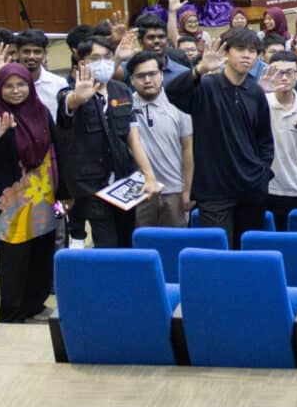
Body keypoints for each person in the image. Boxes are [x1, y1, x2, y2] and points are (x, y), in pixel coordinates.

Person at [163, 27, 276, 248]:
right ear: (226, 53)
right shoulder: (206, 86)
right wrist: (199, 69)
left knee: (248, 252)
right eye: (241, 49)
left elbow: (265, 141)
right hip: (214, 190)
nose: (247, 55)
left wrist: (262, 173)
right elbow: (172, 92)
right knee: (219, 252)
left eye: (253, 51)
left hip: (251, 188)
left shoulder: (255, 93)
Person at [57, 35, 157, 250]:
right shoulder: (69, 92)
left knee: (127, 240)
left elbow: (133, 139)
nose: (102, 62)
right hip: (90, 186)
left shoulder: (121, 90)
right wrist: (78, 97)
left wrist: (149, 175)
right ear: (81, 62)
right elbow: (68, 105)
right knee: (107, 243)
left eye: (107, 57)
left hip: (123, 182)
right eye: (95, 58)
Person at [0, 62, 58, 323]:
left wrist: (63, 191)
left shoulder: (41, 111)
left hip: (42, 194)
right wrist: (3, 139)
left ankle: (34, 305)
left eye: (21, 84)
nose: (16, 91)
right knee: (15, 261)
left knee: (41, 253)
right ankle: (12, 314)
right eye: (8, 86)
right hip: (12, 202)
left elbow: (55, 150)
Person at [126, 51, 194, 229]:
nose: (147, 80)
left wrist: (186, 190)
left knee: (175, 246)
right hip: (140, 192)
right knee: (142, 246)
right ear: (132, 80)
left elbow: (188, 149)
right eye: (141, 76)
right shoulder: (126, 106)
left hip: (174, 191)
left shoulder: (178, 103)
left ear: (161, 75)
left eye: (152, 74)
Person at [262, 48, 297, 230]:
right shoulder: (261, 103)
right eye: (278, 72)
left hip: (294, 188)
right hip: (264, 189)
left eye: (288, 73)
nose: (283, 77)